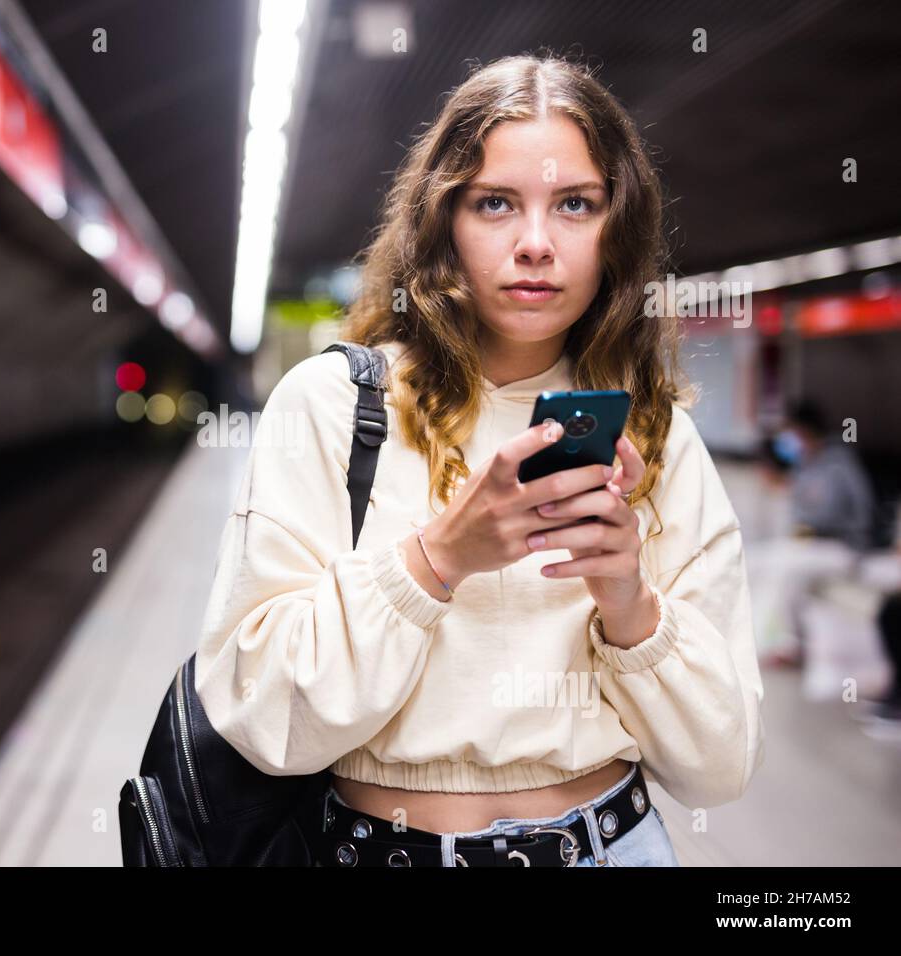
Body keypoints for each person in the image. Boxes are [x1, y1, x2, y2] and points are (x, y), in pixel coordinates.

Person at [194, 53, 765, 867]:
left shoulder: (657, 436)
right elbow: (261, 718)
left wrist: (629, 603)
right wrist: (438, 559)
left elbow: (720, 768)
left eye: (576, 204)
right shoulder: (334, 407)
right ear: (442, 222)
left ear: (618, 227)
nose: (536, 244)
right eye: (495, 203)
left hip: (613, 848)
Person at [748, 399, 877, 668]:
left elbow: (827, 514)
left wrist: (788, 487)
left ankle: (780, 645)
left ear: (804, 431)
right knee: (754, 559)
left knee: (786, 567)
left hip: (844, 548)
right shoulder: (805, 462)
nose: (787, 440)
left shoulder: (838, 464)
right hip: (811, 546)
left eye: (791, 432)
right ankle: (753, 638)